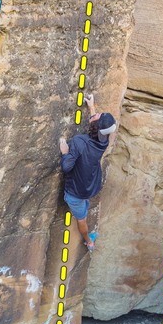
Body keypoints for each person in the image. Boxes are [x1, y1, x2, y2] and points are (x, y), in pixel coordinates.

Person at [59, 94, 117, 251]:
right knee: (84, 203)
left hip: (76, 192)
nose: (97, 114)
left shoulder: (78, 142)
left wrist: (65, 153)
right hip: (91, 185)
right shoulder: (103, 141)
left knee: (81, 219)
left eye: (98, 116)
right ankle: (84, 210)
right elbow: (97, 127)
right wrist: (92, 107)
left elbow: (66, 167)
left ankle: (88, 241)